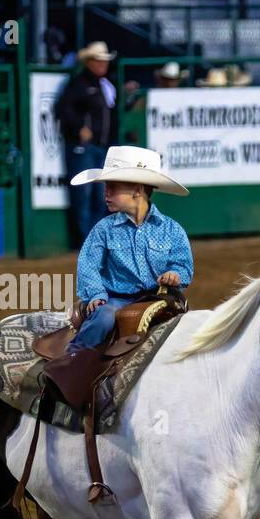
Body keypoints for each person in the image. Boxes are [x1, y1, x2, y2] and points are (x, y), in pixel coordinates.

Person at [68, 146, 192, 354]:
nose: (106, 193)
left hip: (161, 298)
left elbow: (182, 265)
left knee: (188, 327)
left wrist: (175, 275)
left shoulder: (171, 230)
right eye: (106, 186)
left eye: (114, 187)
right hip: (117, 299)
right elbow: (88, 264)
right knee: (104, 317)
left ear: (137, 190)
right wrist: (97, 294)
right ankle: (73, 357)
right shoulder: (104, 229)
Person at [56, 41, 119, 245]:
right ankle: (86, 239)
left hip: (99, 147)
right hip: (85, 148)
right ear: (90, 62)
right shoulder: (80, 84)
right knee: (84, 195)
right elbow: (64, 109)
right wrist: (79, 128)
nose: (104, 64)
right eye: (100, 61)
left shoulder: (104, 85)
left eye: (105, 61)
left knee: (99, 196)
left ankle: (94, 239)